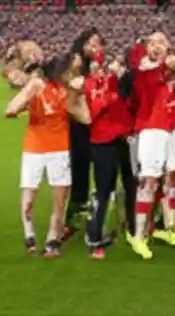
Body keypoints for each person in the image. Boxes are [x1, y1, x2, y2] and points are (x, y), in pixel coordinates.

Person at [5, 53, 90, 258]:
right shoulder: (37, 85)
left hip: (59, 148)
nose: (73, 74)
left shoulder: (69, 92)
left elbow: (86, 118)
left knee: (59, 199)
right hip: (34, 148)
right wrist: (20, 104)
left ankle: (53, 238)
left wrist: (79, 96)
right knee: (29, 195)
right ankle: (29, 235)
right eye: (70, 70)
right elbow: (13, 107)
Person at [128, 32, 175, 260]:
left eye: (161, 43)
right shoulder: (144, 69)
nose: (156, 46)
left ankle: (168, 227)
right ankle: (139, 236)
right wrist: (170, 67)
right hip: (150, 129)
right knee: (149, 180)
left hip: (170, 131)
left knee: (172, 179)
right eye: (151, 43)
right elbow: (144, 85)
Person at [84, 53, 136, 259]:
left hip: (123, 138)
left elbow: (126, 105)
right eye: (97, 65)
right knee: (104, 190)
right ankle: (94, 237)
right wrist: (109, 92)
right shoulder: (90, 85)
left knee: (131, 183)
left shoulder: (116, 81)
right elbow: (94, 110)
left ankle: (133, 230)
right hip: (102, 141)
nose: (101, 68)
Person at [66, 29, 104, 233]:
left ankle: (92, 206)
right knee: (79, 165)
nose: (96, 48)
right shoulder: (75, 64)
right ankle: (76, 209)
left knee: (95, 165)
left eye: (99, 44)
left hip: (94, 122)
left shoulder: (95, 66)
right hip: (78, 123)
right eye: (92, 43)